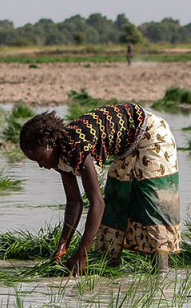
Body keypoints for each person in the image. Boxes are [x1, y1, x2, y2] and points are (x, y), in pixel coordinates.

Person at [19, 104, 180, 275]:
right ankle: (110, 268)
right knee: (117, 200)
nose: (41, 165)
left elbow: (97, 204)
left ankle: (161, 273)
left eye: (40, 158)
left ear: (50, 144)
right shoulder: (58, 156)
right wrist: (61, 249)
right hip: (127, 146)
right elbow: (74, 203)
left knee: (151, 200)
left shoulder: (76, 146)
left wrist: (81, 254)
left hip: (151, 133)